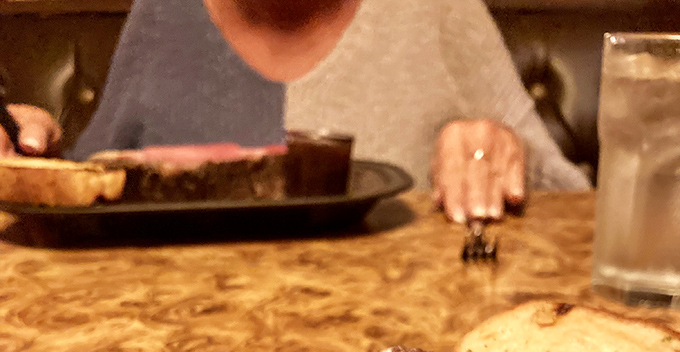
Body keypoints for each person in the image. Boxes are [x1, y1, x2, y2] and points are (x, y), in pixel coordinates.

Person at [0, 0, 590, 222]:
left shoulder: (437, 10)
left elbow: (568, 194)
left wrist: (502, 151)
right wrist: (32, 147)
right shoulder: (163, 12)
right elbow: (91, 179)